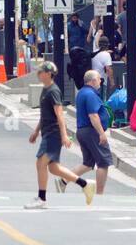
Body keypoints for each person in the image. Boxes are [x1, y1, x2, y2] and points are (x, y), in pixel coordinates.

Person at [25, 63, 95, 208]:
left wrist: (64, 135)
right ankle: (85, 184)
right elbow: (44, 114)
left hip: (53, 133)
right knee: (53, 168)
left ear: (49, 74)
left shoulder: (53, 91)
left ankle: (41, 198)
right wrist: (36, 131)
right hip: (47, 132)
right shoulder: (45, 90)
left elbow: (59, 114)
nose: (39, 74)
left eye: (41, 72)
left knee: (40, 162)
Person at [66, 69, 112, 195]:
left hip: (82, 130)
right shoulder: (91, 94)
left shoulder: (82, 92)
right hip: (92, 131)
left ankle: (64, 180)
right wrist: (102, 133)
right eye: (99, 79)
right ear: (92, 81)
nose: (101, 81)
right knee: (104, 162)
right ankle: (99, 193)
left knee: (88, 163)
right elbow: (93, 116)